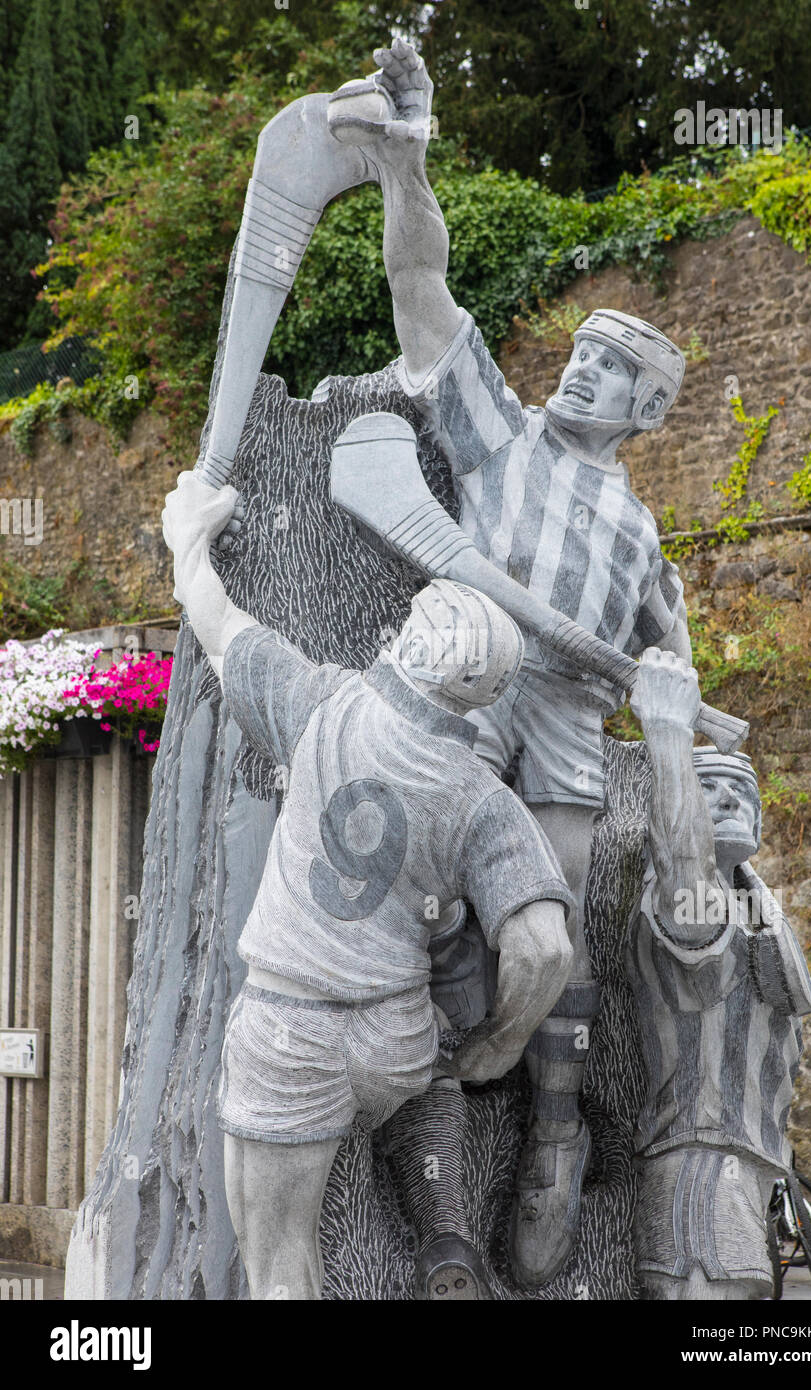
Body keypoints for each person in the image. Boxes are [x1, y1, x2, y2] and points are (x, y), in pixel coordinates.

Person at [352, 35, 693, 1285]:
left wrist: (671, 671)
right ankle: (406, 1103)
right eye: (584, 352)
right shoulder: (503, 436)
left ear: (647, 411)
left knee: (551, 928)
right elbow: (421, 289)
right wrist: (407, 161)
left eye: (614, 370)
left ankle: (554, 1123)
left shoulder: (642, 533)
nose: (583, 371)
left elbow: (670, 665)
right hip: (465, 672)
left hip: (566, 718)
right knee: (414, 875)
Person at [162, 469, 578, 1300]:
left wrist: (187, 537)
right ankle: (444, 1228)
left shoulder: (321, 704)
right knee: (434, 1074)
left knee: (278, 1262)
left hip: (290, 1030)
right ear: (482, 694)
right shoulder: (481, 797)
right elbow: (544, 948)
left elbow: (215, 622)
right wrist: (499, 1044)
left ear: (407, 642)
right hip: (394, 1039)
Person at [627, 648, 811, 1300]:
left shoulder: (762, 919)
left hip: (751, 1174)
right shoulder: (681, 904)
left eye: (743, 792)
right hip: (698, 1170)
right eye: (706, 786)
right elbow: (685, 866)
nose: (731, 798)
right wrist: (667, 736)